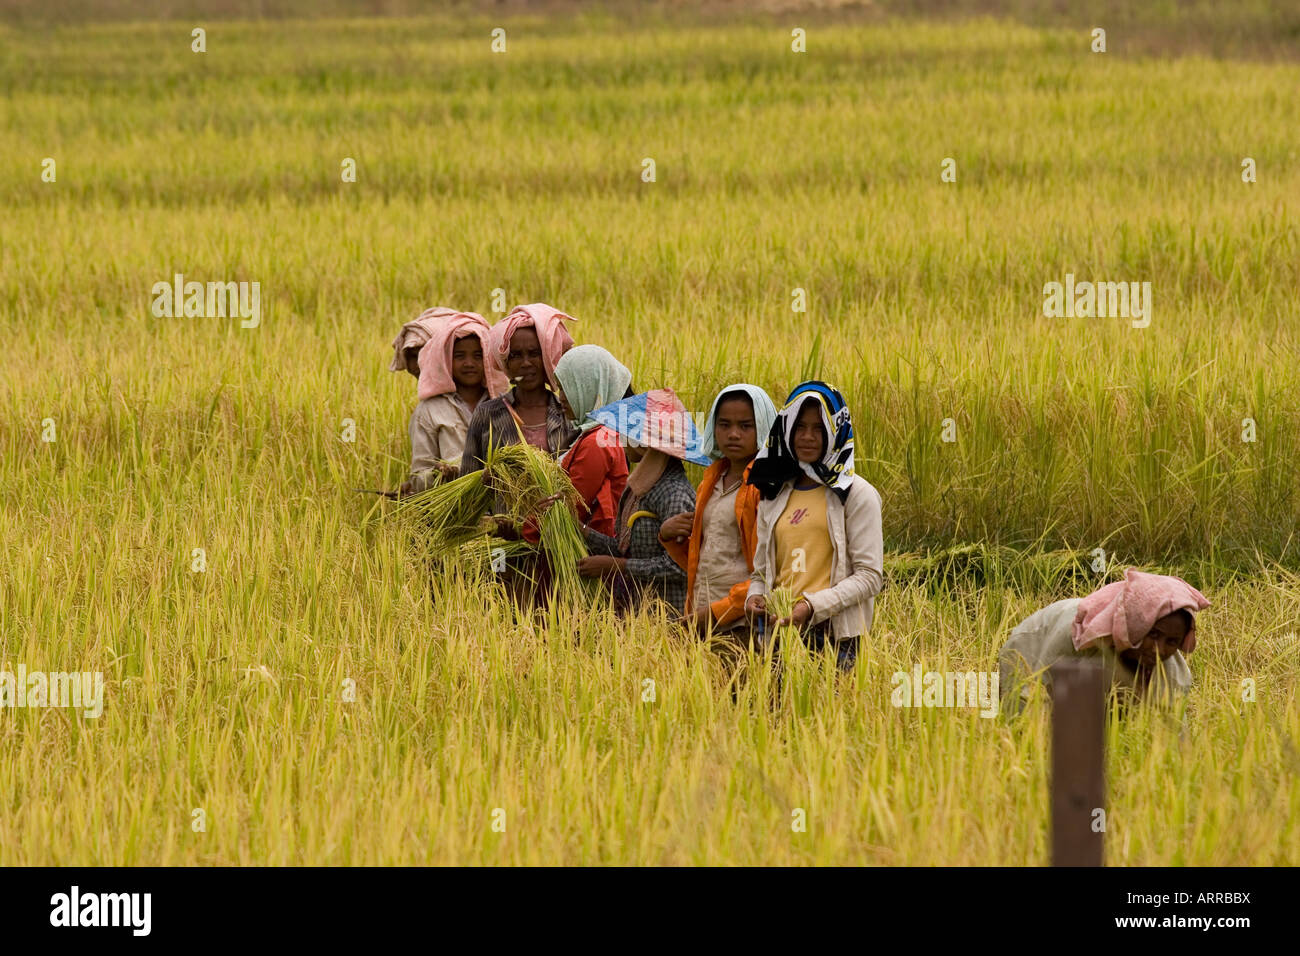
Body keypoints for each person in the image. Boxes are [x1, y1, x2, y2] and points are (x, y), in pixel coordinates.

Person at [743, 381, 885, 671]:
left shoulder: (855, 494)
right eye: (800, 427)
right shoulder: (774, 492)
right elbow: (761, 570)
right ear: (788, 429)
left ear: (835, 431)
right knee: (772, 715)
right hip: (779, 636)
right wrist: (754, 596)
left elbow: (870, 576)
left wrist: (811, 607)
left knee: (833, 715)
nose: (807, 437)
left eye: (818, 429)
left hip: (836, 641)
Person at [997, 568, 1209, 714]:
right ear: (1135, 625)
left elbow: (1173, 734)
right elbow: (1038, 695)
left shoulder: (1174, 676)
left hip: (1104, 676)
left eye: (1172, 642)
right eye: (1152, 635)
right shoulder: (1079, 638)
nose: (1159, 650)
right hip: (1033, 650)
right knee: (1022, 717)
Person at [660, 384, 777, 640]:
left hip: (741, 624)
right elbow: (702, 557)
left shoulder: (766, 487)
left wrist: (715, 612)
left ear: (764, 427)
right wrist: (669, 536)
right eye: (724, 425)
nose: (733, 434)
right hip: (701, 616)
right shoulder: (711, 481)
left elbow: (768, 571)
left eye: (746, 426)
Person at [577, 389, 702, 616]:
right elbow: (628, 550)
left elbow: (680, 566)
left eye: (629, 431)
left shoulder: (673, 493)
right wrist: (582, 531)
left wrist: (616, 566)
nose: (622, 436)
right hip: (637, 615)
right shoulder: (639, 488)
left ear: (645, 442)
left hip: (668, 619)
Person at [459, 304, 579, 474]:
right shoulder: (487, 414)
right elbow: (468, 478)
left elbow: (581, 480)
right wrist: (486, 480)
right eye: (516, 355)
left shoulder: (567, 413)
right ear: (506, 362)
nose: (526, 363)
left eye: (534, 353)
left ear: (546, 358)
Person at [400, 311, 508, 495]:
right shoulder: (429, 410)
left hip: (498, 508)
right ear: (446, 360)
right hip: (449, 508)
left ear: (488, 359)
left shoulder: (504, 405)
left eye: (477, 355)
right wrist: (439, 475)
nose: (469, 363)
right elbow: (419, 474)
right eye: (459, 356)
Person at [552, 345, 633, 538]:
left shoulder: (598, 442)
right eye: (560, 388)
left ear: (590, 387)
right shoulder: (596, 434)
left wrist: (521, 531)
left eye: (566, 388)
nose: (560, 397)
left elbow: (572, 505)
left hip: (588, 556)